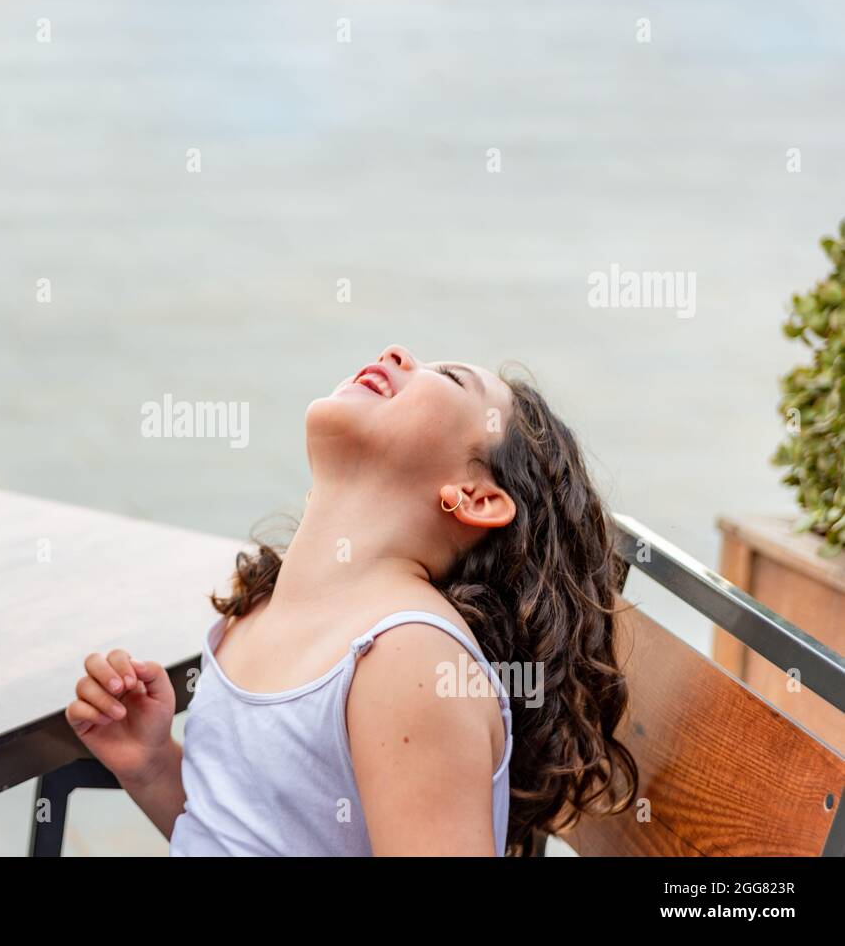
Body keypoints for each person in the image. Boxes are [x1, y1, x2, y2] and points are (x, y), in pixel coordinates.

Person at [66, 344, 639, 855]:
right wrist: (152, 764)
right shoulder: (261, 612)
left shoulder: (408, 661)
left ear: (474, 497)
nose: (398, 353)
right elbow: (241, 835)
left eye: (451, 378)